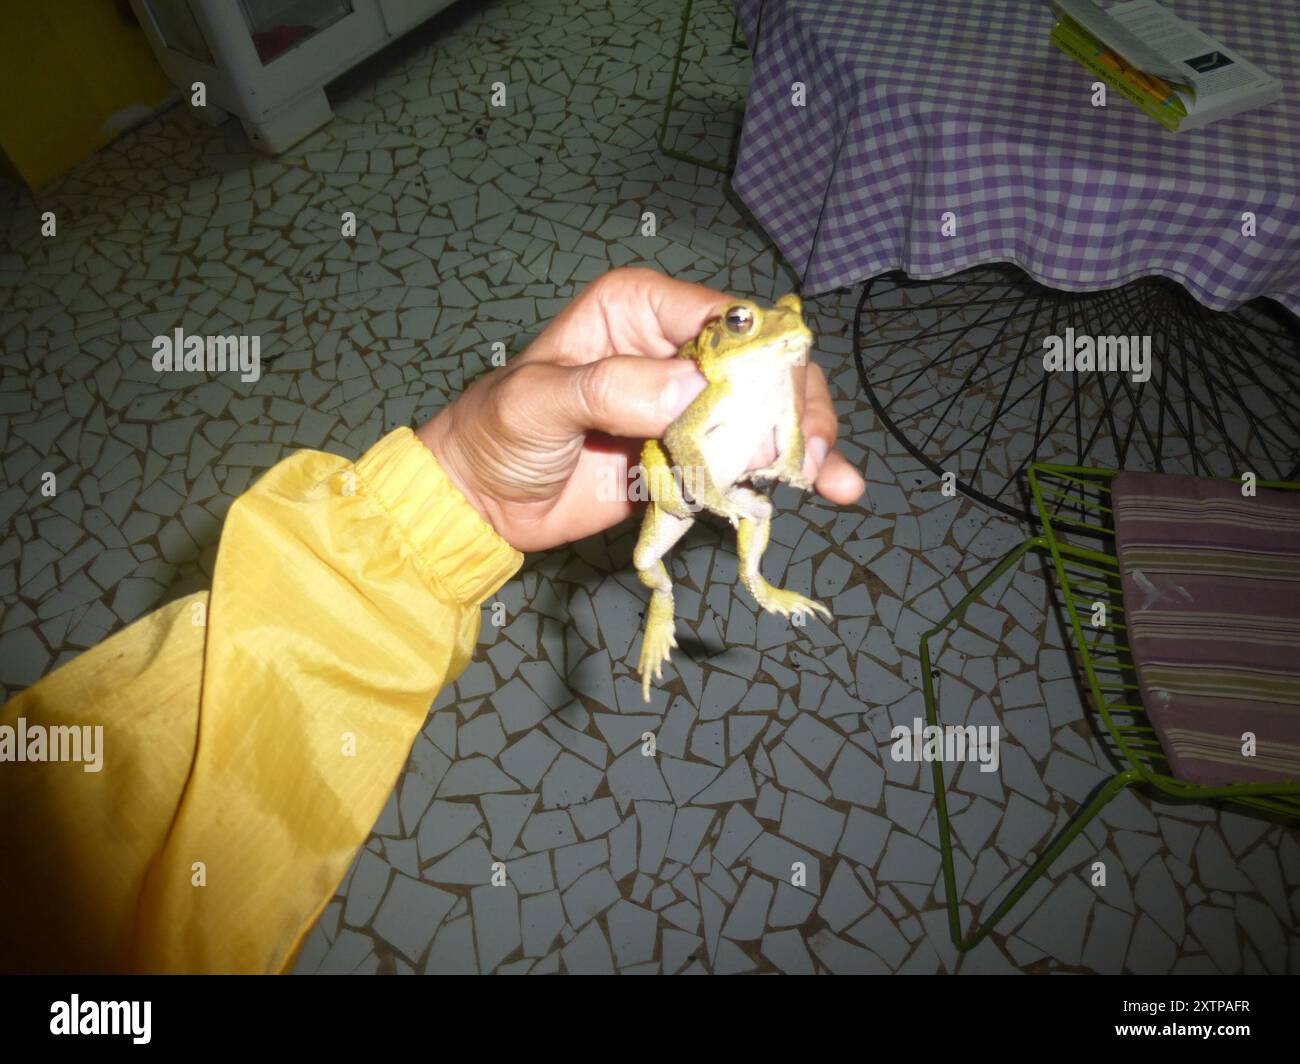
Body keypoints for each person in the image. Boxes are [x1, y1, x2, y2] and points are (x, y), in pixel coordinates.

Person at [0, 267, 865, 974]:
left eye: (781, 321)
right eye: (750, 320)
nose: (784, 331)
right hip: (671, 489)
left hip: (474, 521)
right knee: (652, 563)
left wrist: (464, 487)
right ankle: (671, 608)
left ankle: (753, 583)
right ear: (716, 338)